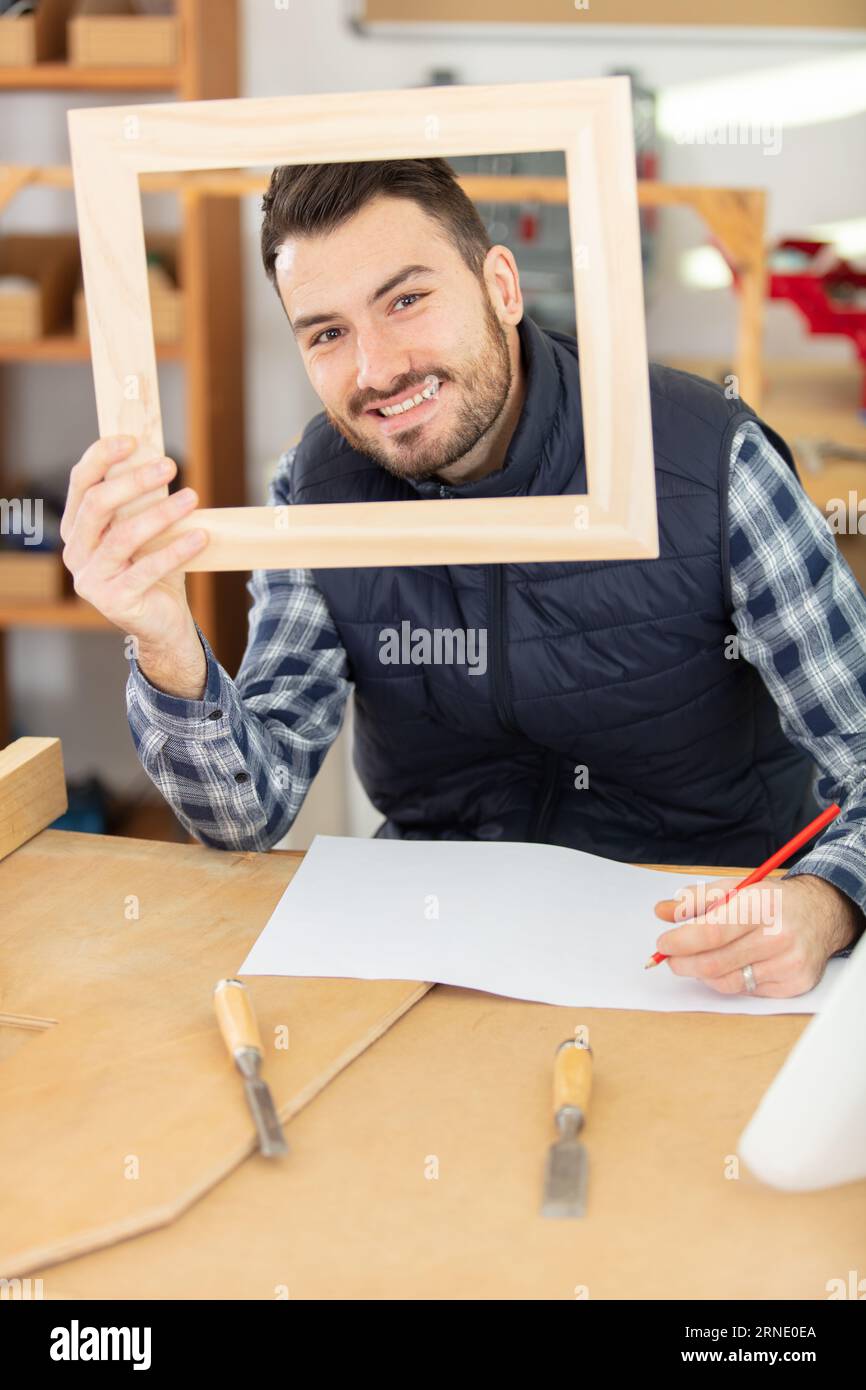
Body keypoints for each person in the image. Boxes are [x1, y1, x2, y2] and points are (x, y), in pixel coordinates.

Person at [60, 158, 866, 998]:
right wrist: (161, 639)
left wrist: (826, 903)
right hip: (431, 943)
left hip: (703, 943)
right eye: (327, 333)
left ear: (502, 288)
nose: (376, 369)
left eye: (406, 300)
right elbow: (244, 814)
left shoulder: (710, 461)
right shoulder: (317, 488)